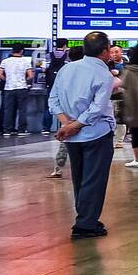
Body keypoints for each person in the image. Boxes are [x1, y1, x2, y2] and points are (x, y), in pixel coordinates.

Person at [48, 31, 117, 238]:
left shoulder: (66, 69)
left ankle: (86, 218)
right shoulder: (104, 74)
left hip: (72, 136)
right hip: (96, 134)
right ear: (104, 51)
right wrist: (74, 125)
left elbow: (53, 100)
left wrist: (66, 124)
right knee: (94, 179)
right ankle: (85, 225)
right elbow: (97, 109)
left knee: (79, 179)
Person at [46, 46, 86, 178]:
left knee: (65, 144)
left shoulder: (64, 71)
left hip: (68, 118)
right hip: (86, 119)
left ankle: (57, 169)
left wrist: (66, 122)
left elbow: (53, 98)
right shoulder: (91, 71)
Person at [0, 43, 33, 136]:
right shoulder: (25, 61)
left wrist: (7, 80)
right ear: (22, 51)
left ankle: (7, 130)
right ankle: (21, 130)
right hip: (22, 88)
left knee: (8, 110)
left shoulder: (5, 61)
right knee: (22, 110)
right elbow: (31, 75)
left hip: (9, 88)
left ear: (12, 51)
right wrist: (24, 80)